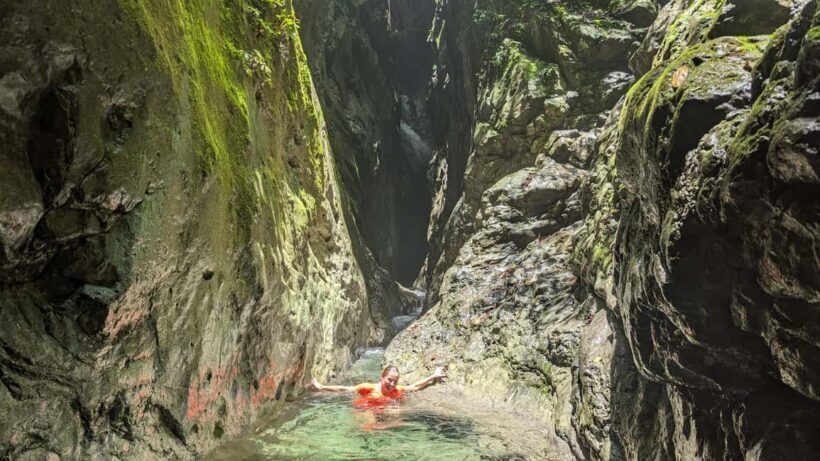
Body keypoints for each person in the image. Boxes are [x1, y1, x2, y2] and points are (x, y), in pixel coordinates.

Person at [310, 365, 447, 407]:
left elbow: (415, 387)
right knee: (370, 429)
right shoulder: (368, 387)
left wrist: (433, 377)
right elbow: (344, 389)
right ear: (382, 377)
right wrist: (321, 387)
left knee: (396, 412)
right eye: (389, 380)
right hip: (365, 410)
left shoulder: (397, 390)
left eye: (395, 381)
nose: (392, 384)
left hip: (383, 411)